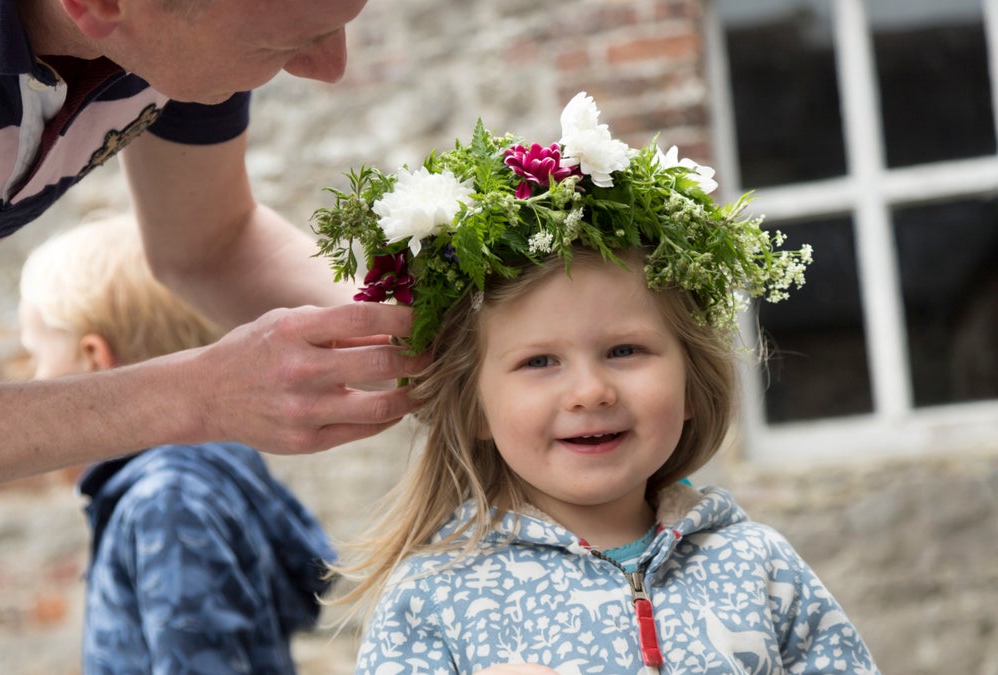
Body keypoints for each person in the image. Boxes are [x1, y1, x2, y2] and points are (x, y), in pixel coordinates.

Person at [0, 0, 425, 672]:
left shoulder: (174, 41)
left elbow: (211, 242)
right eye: (295, 38)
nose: (330, 67)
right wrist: (196, 395)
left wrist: (445, 343)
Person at [313, 93, 877, 673]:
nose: (591, 391)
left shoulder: (758, 567)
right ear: (473, 407)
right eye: (539, 362)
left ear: (692, 381)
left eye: (624, 350)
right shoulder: (432, 597)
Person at [19, 215, 335, 674]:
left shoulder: (167, 499)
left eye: (36, 356)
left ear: (95, 361)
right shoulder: (190, 483)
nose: (33, 380)